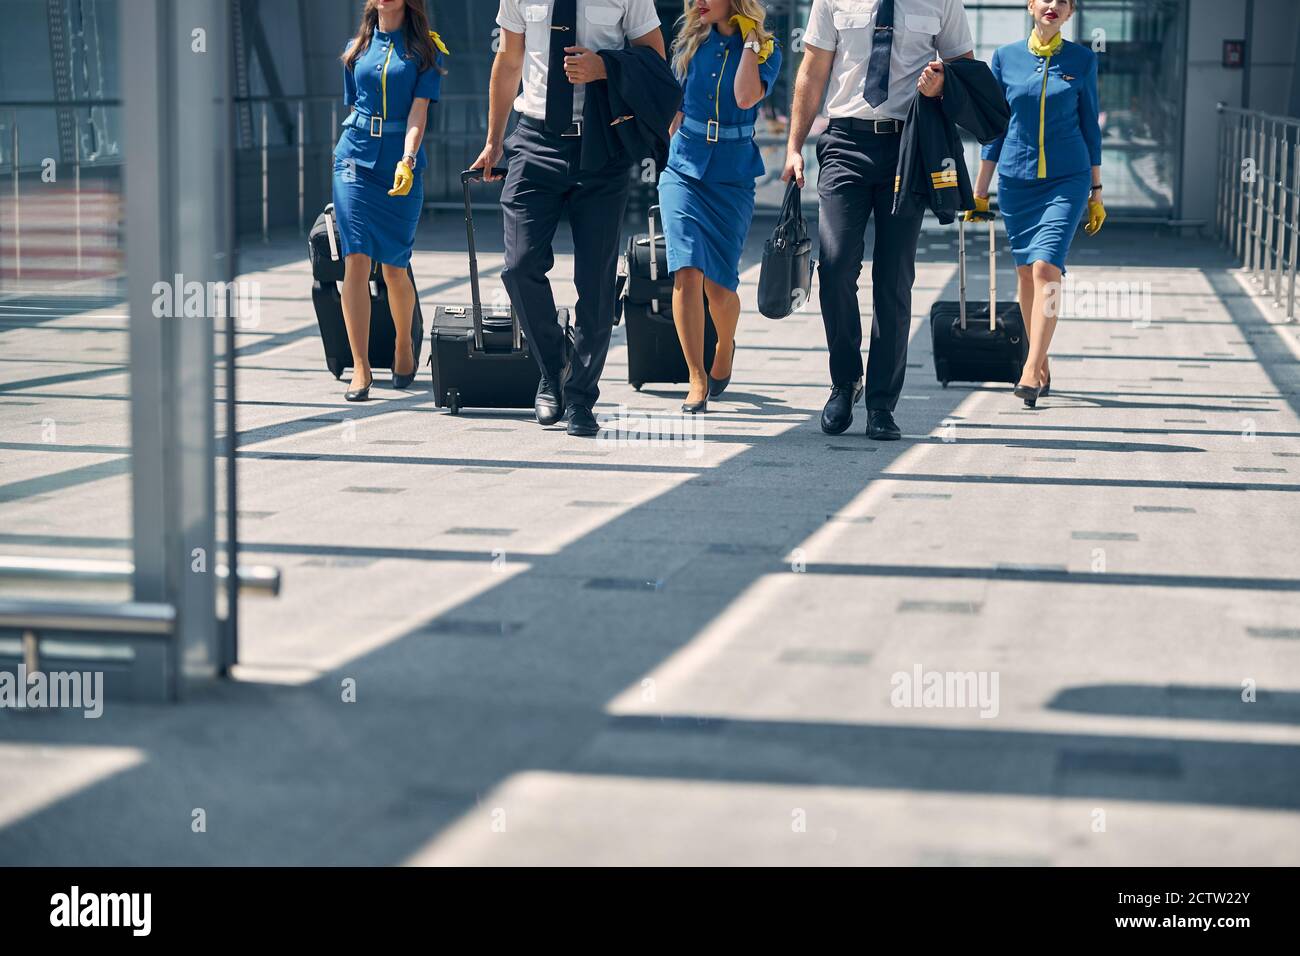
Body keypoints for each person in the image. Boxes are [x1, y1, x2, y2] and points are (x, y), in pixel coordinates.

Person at [473, 1, 666, 437]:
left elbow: (655, 57)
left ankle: (580, 397)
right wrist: (494, 140)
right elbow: (508, 60)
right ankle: (555, 363)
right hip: (534, 140)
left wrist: (604, 67)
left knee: (596, 284)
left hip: (601, 146)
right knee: (519, 266)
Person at [783, 0, 974, 440]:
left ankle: (882, 404)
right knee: (833, 269)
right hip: (844, 143)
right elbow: (813, 70)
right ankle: (845, 381)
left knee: (893, 279)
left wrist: (941, 83)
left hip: (908, 147)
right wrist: (794, 146)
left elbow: (965, 70)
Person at [970, 0, 1104, 408]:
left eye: (1061, 2)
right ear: (1031, 5)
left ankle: (1029, 369)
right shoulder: (1005, 58)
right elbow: (995, 126)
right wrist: (980, 191)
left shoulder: (1081, 60)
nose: (1052, 5)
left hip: (1068, 179)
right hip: (1016, 181)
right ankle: (1040, 356)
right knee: (1027, 273)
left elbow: (1090, 124)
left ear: (1069, 13)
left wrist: (1096, 192)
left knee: (1047, 266)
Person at [659, 1, 781, 414]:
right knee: (687, 270)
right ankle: (696, 377)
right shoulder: (690, 43)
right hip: (683, 168)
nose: (697, 3)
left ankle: (724, 343)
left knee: (720, 288)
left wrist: (749, 42)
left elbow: (746, 97)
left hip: (731, 176)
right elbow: (673, 110)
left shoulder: (767, 48)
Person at [332, 0, 447, 401]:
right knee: (356, 259)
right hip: (352, 161)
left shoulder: (425, 52)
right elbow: (355, 106)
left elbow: (419, 115)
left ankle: (403, 344)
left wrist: (407, 159)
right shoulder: (356, 49)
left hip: (400, 162)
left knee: (395, 268)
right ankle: (361, 366)